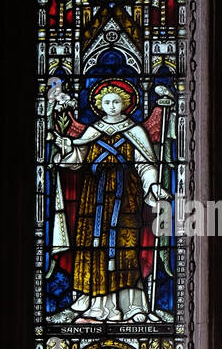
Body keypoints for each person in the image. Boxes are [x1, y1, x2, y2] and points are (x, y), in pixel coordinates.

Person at [50, 79, 169, 322]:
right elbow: (77, 160)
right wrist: (66, 149)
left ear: (125, 104)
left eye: (116, 101)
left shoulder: (135, 132)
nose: (111, 106)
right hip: (93, 199)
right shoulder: (92, 132)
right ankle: (92, 303)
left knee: (125, 248)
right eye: (106, 102)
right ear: (99, 105)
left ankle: (131, 305)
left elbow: (145, 163)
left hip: (125, 198)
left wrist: (154, 185)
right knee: (92, 247)